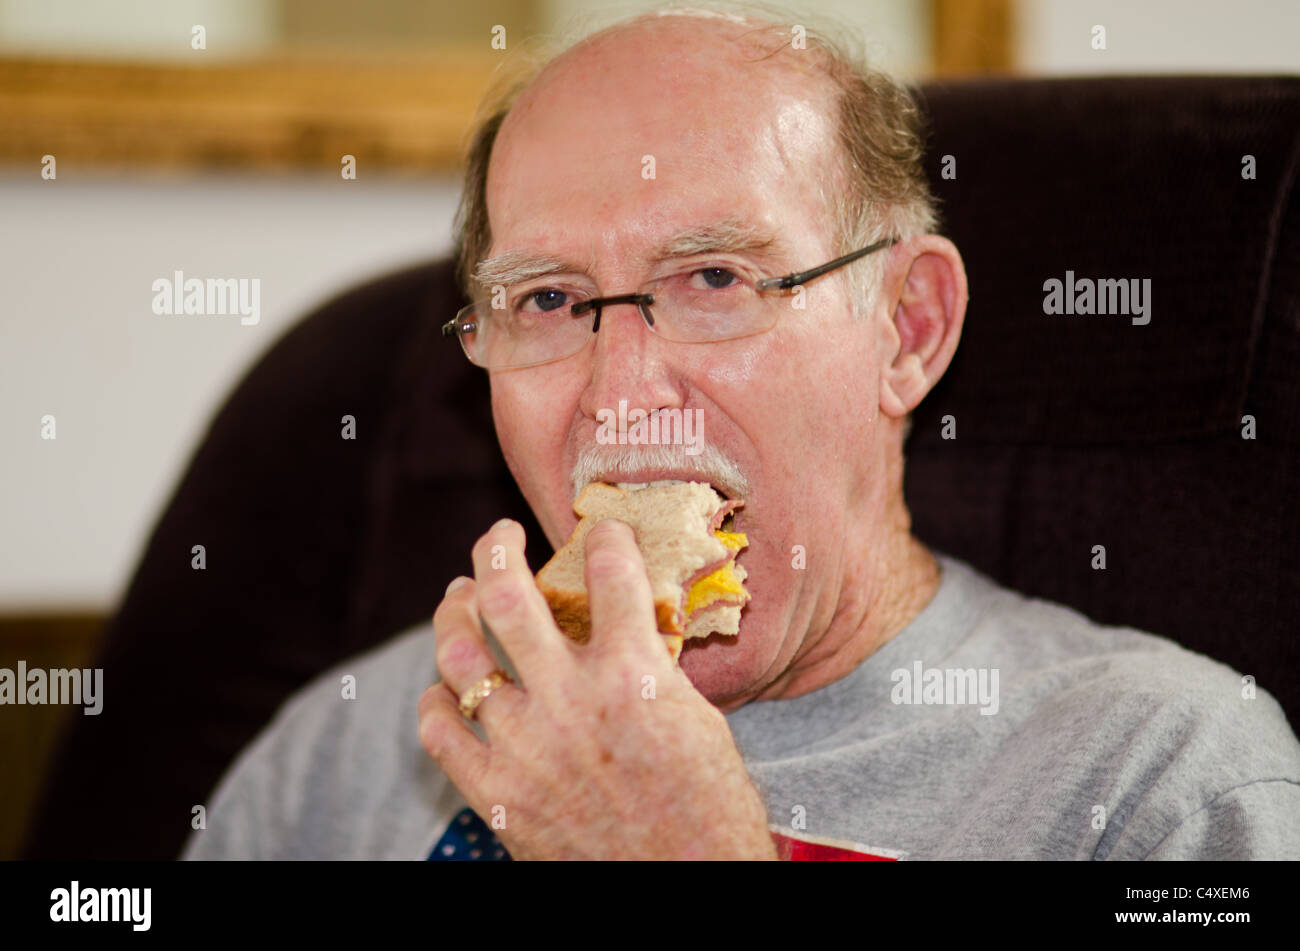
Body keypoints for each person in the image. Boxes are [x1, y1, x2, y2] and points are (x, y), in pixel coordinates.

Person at [182, 5, 1300, 861]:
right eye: (549, 301)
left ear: (906, 329)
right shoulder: (350, 746)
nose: (619, 393)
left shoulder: (1166, 784)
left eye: (714, 277)